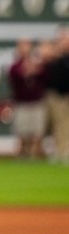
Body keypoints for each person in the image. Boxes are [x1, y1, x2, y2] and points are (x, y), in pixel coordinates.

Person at [7, 39, 47, 158]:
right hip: (21, 103)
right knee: (22, 133)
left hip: (36, 102)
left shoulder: (37, 64)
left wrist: (35, 70)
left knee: (37, 133)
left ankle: (34, 156)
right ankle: (22, 156)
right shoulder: (15, 66)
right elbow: (13, 79)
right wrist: (24, 72)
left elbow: (45, 77)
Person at [46, 28, 69, 163]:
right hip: (53, 95)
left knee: (64, 125)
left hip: (64, 96)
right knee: (54, 125)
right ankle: (57, 150)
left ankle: (64, 151)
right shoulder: (54, 57)